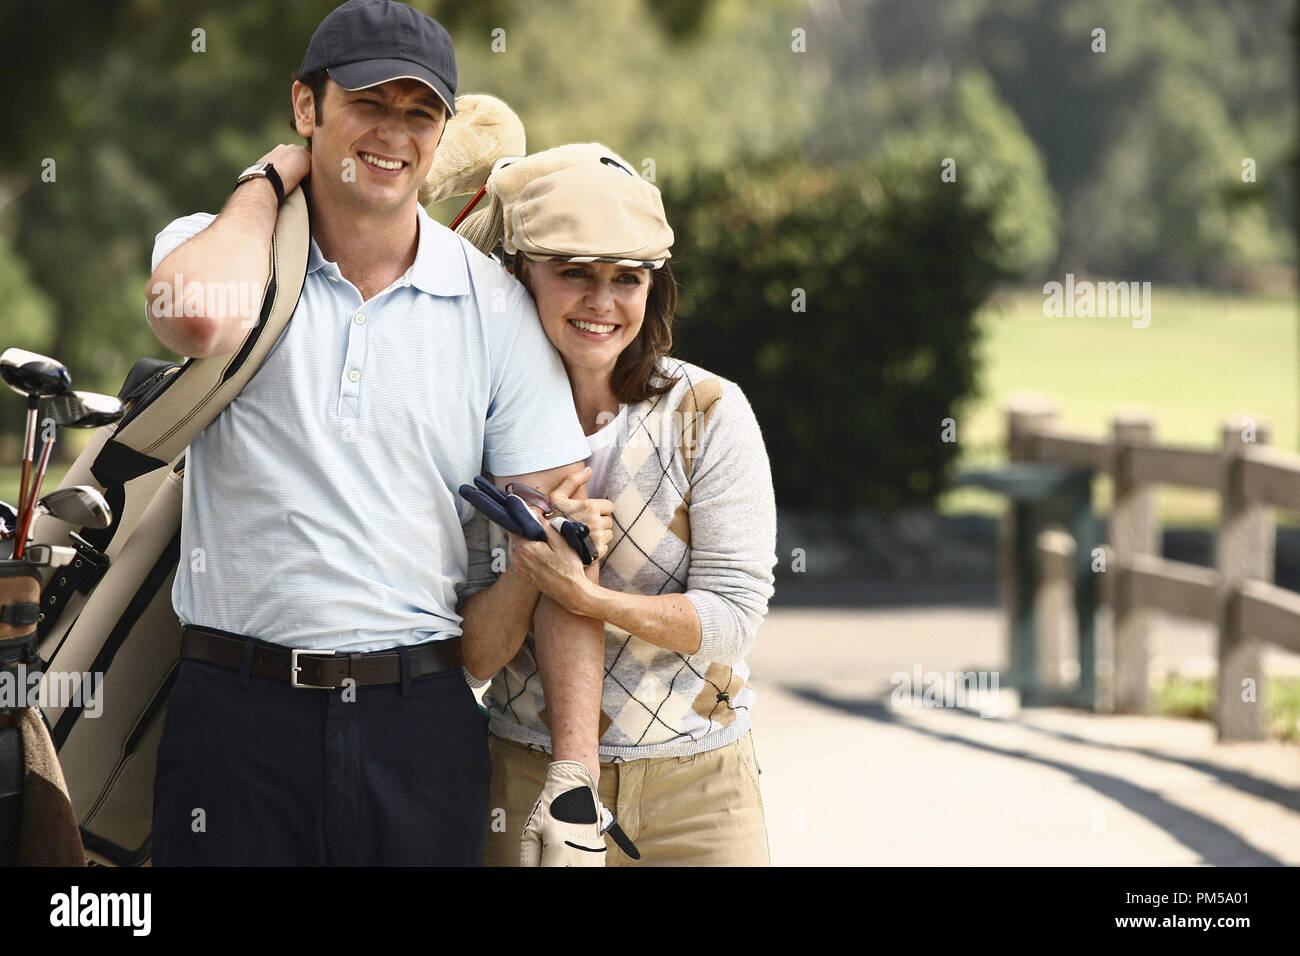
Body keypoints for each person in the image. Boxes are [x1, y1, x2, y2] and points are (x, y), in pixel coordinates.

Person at [142, 0, 599, 866]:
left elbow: (564, 541)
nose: (394, 134)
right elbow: (197, 318)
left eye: (419, 113)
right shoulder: (219, 246)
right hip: (233, 719)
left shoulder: (496, 310)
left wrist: (576, 763)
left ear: (440, 133)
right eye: (368, 104)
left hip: (417, 727)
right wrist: (265, 181)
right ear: (307, 106)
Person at [453, 145, 778, 866]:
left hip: (701, 791)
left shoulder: (707, 413)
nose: (602, 303)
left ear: (652, 291)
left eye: (626, 279)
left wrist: (591, 599)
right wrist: (529, 570)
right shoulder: (472, 429)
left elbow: (731, 622)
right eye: (574, 274)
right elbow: (472, 659)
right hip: (526, 775)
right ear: (520, 277)